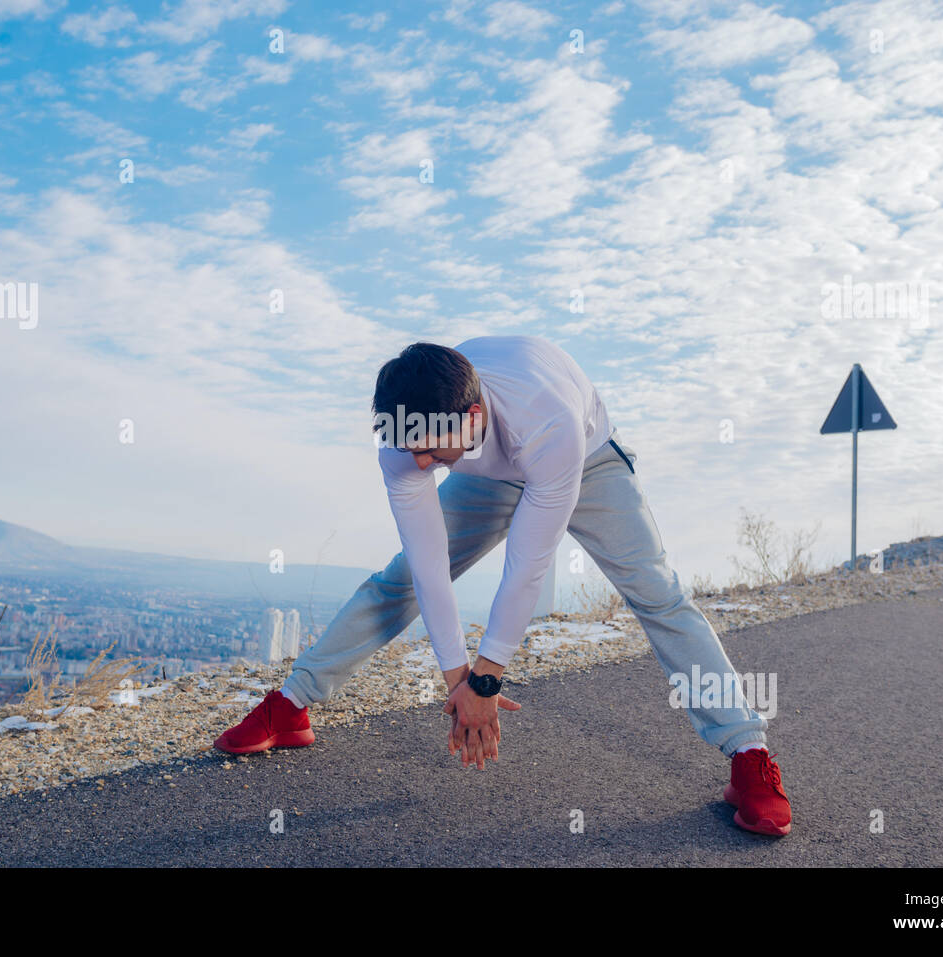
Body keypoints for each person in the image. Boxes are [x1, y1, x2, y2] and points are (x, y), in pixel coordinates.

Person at [215, 335, 792, 836]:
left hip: (581, 460)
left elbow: (528, 565)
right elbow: (428, 566)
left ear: (470, 417)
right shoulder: (407, 436)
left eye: (428, 452)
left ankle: (748, 754)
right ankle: (290, 707)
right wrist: (456, 680)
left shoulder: (549, 421)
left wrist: (486, 681)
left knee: (660, 595)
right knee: (398, 580)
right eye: (407, 449)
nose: (417, 465)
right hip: (486, 471)